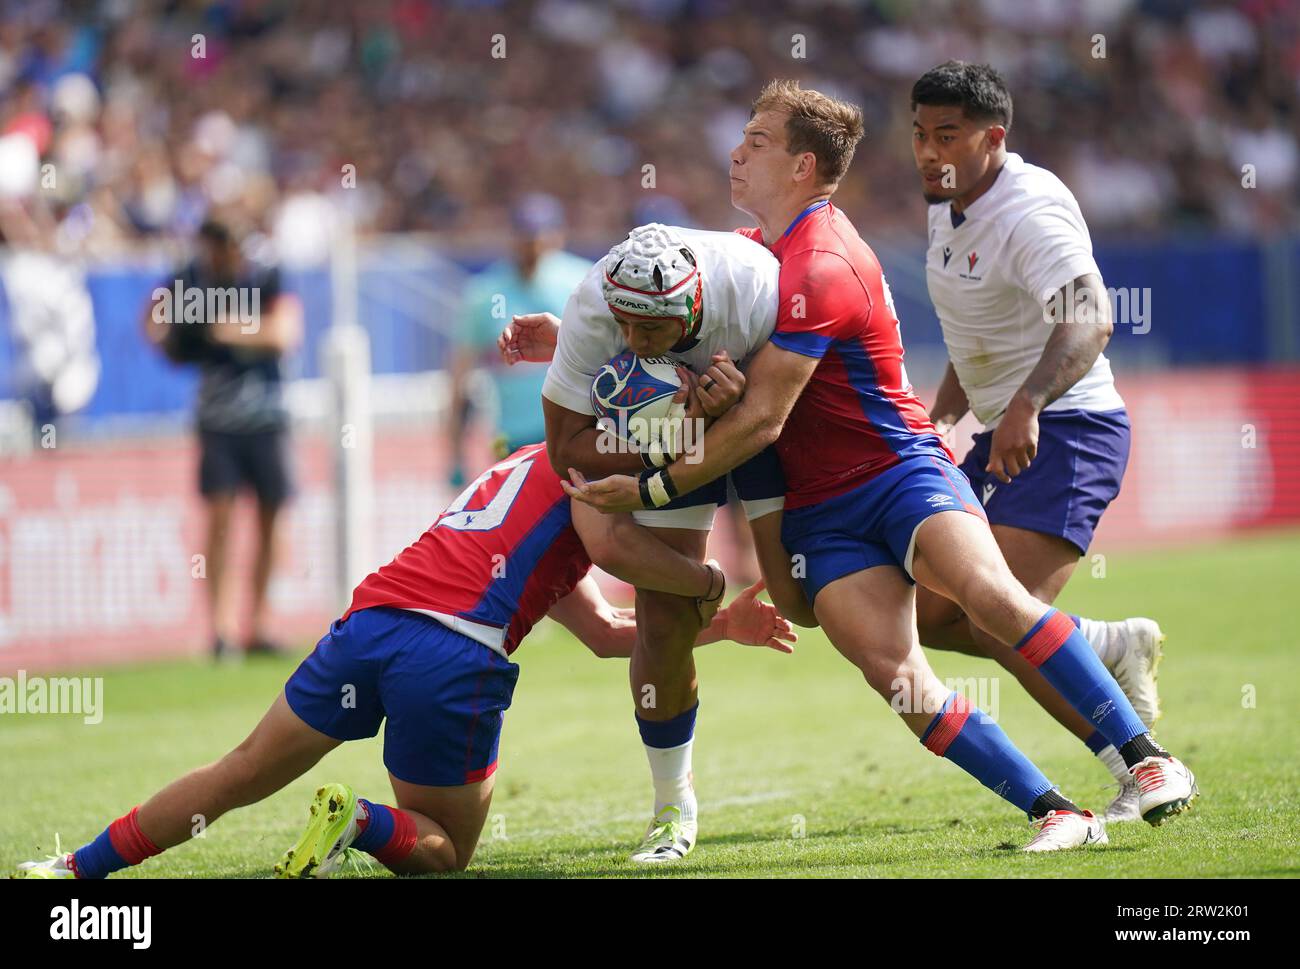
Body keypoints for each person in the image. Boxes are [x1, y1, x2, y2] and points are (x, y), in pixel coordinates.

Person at [563, 79, 1197, 850]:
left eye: (756, 141)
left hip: (898, 469)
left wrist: (653, 484)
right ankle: (1058, 812)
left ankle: (1146, 758)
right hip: (823, 510)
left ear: (801, 166)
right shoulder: (762, 257)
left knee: (992, 599)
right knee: (899, 674)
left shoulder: (823, 261)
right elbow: (691, 327)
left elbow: (761, 419)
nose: (736, 151)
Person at [11, 443, 794, 879]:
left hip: (373, 621)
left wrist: (721, 628)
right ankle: (355, 819)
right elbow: (610, 545)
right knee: (443, 853)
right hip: (455, 653)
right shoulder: (601, 467)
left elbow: (598, 631)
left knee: (239, 769)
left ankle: (74, 869)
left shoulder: (531, 462)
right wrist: (707, 581)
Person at [910, 61, 1163, 822]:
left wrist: (1025, 404)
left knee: (1000, 617)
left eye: (946, 135)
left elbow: (1091, 317)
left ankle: (1142, 768)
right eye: (919, 134)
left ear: (995, 137)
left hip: (1071, 428)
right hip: (1002, 431)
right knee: (925, 611)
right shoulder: (951, 199)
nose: (928, 151)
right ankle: (1104, 642)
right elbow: (976, 331)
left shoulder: (1031, 210)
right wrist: (943, 414)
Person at [515, 221, 812, 862]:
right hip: (682, 432)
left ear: (695, 308)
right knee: (664, 622)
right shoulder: (594, 305)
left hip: (763, 418)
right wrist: (683, 427)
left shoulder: (755, 288)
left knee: (813, 601)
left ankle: (1065, 639)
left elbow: (782, 400)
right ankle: (672, 805)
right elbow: (568, 449)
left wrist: (723, 414)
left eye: (648, 330)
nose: (630, 341)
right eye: (622, 325)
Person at [142, 217, 303, 660]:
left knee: (271, 519)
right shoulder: (190, 279)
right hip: (217, 421)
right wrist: (173, 333)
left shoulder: (265, 273)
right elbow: (154, 321)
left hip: (267, 417)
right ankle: (221, 630)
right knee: (220, 518)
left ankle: (261, 622)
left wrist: (220, 328)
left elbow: (284, 333)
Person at [447, 193, 591, 483]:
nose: (532, 247)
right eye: (525, 238)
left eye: (539, 237)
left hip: (575, 428)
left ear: (558, 236)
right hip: (510, 435)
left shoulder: (582, 281)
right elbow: (459, 375)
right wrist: (455, 454)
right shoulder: (485, 294)